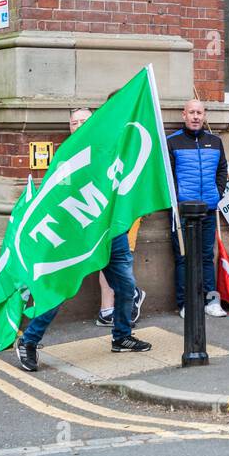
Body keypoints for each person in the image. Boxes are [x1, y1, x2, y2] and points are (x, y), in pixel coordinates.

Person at [15, 107, 152, 372]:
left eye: (84, 121)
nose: (79, 126)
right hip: (77, 238)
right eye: (74, 122)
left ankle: (121, 336)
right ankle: (29, 341)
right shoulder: (66, 157)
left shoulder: (111, 150)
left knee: (125, 287)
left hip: (112, 234)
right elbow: (56, 200)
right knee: (59, 290)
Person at [167, 99, 228, 318]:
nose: (195, 117)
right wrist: (176, 199)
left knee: (205, 255)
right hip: (182, 210)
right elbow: (167, 175)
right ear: (184, 115)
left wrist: (217, 193)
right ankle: (185, 304)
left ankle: (210, 300)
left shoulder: (215, 141)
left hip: (208, 208)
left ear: (204, 116)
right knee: (183, 256)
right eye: (191, 112)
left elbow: (222, 170)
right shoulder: (172, 142)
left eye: (199, 113)